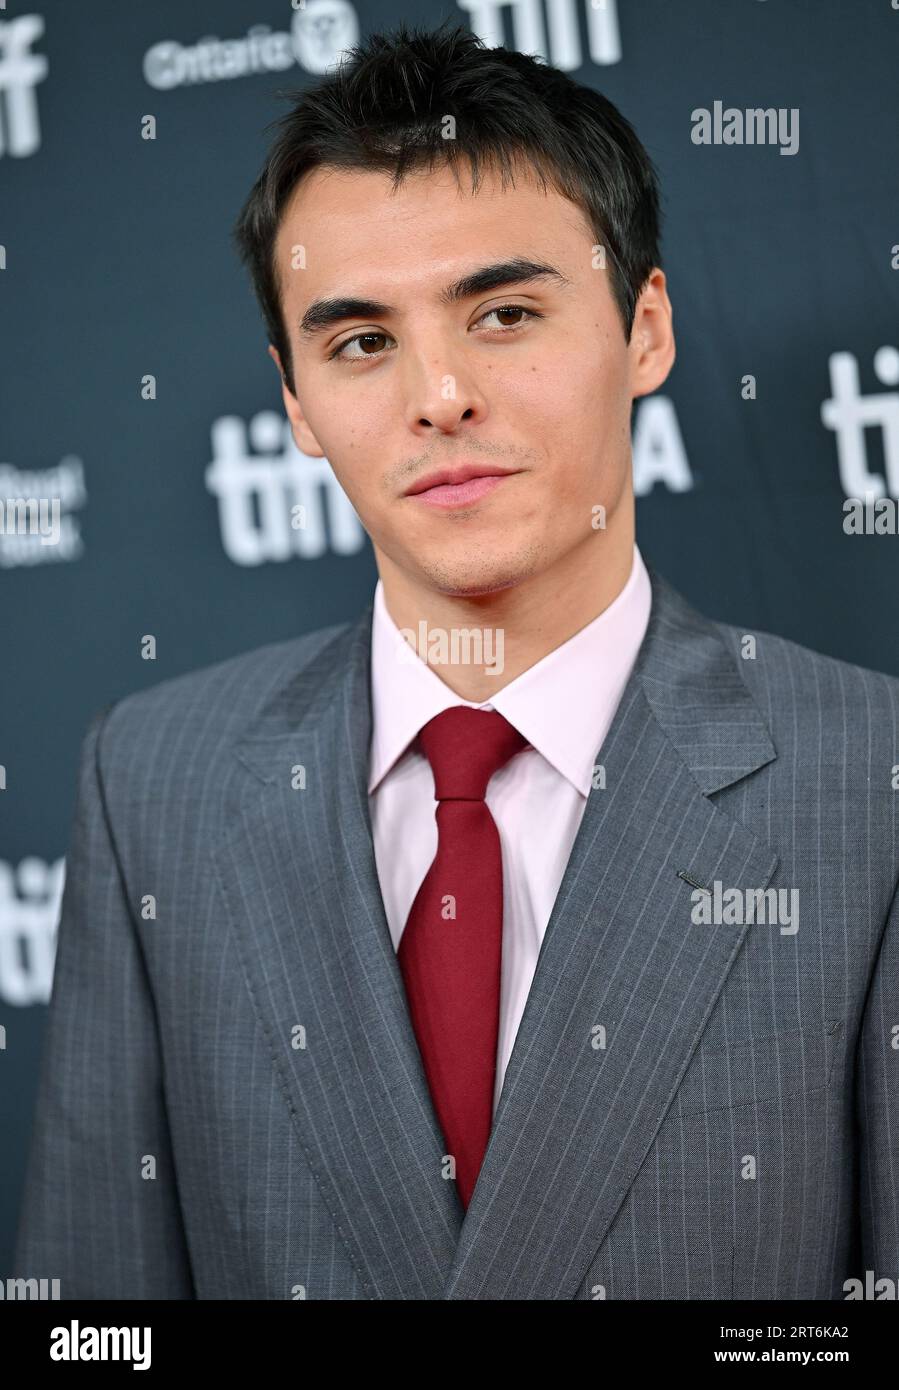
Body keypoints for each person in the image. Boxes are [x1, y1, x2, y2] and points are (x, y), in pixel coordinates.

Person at [14, 22, 899, 1301]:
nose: (437, 393)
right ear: (296, 404)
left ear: (642, 328)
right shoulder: (151, 781)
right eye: (361, 341)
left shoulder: (864, 780)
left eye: (502, 311)